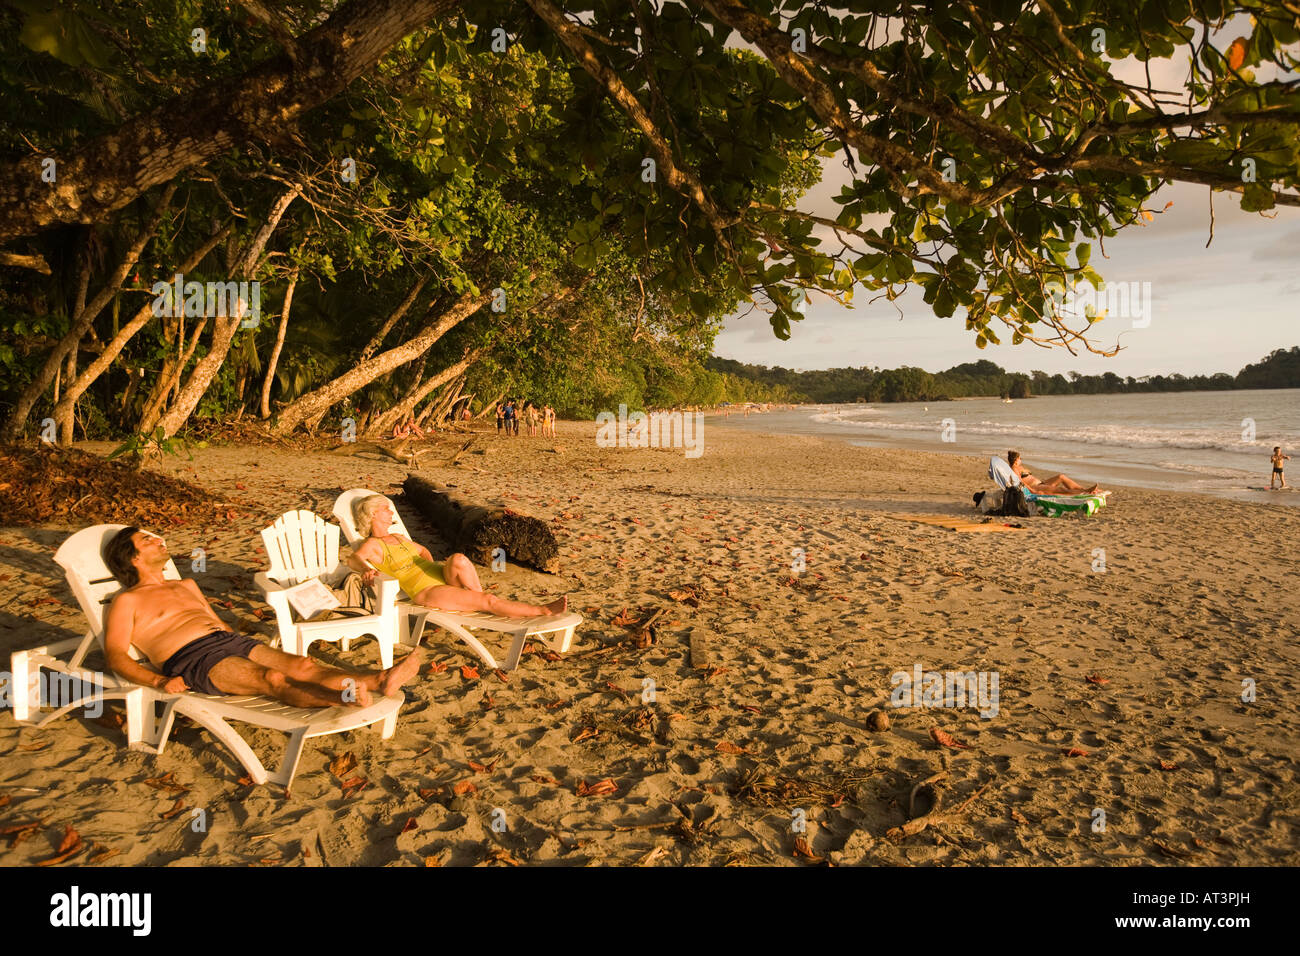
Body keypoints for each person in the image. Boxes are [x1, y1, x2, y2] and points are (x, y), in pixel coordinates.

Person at [102, 528, 421, 706]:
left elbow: (218, 621)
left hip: (227, 641)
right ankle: (341, 697)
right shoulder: (127, 600)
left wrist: (233, 639)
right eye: (148, 540)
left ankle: (380, 679)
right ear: (133, 558)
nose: (160, 540)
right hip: (192, 658)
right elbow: (115, 656)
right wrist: (159, 680)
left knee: (302, 666)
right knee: (270, 679)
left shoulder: (186, 583)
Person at [347, 495, 568, 619]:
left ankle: (477, 601)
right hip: (426, 591)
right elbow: (353, 559)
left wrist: (429, 567)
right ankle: (543, 610)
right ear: (374, 514)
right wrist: (366, 569)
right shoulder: (373, 545)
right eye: (387, 509)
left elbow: (423, 552)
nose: (391, 513)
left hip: (439, 576)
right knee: (488, 600)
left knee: (458, 559)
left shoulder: (398, 536)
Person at [1008, 450, 1106, 496]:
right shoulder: (1014, 469)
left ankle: (1085, 490)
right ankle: (1086, 492)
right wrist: (1032, 491)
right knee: (1061, 490)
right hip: (1036, 487)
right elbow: (1021, 482)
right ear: (1016, 459)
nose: (1021, 460)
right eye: (1020, 458)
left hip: (1041, 484)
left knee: (1061, 476)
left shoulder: (1018, 467)